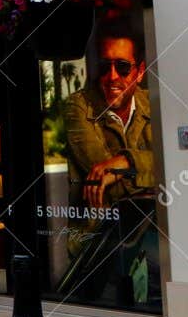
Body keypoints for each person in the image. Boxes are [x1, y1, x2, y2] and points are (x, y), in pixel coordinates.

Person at [62, 28, 154, 208]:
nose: (112, 76)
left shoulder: (153, 104)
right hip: (100, 232)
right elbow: (110, 185)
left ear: (140, 71)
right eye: (105, 66)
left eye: (122, 67)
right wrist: (153, 169)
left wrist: (127, 161)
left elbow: (180, 164)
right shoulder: (78, 107)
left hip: (152, 227)